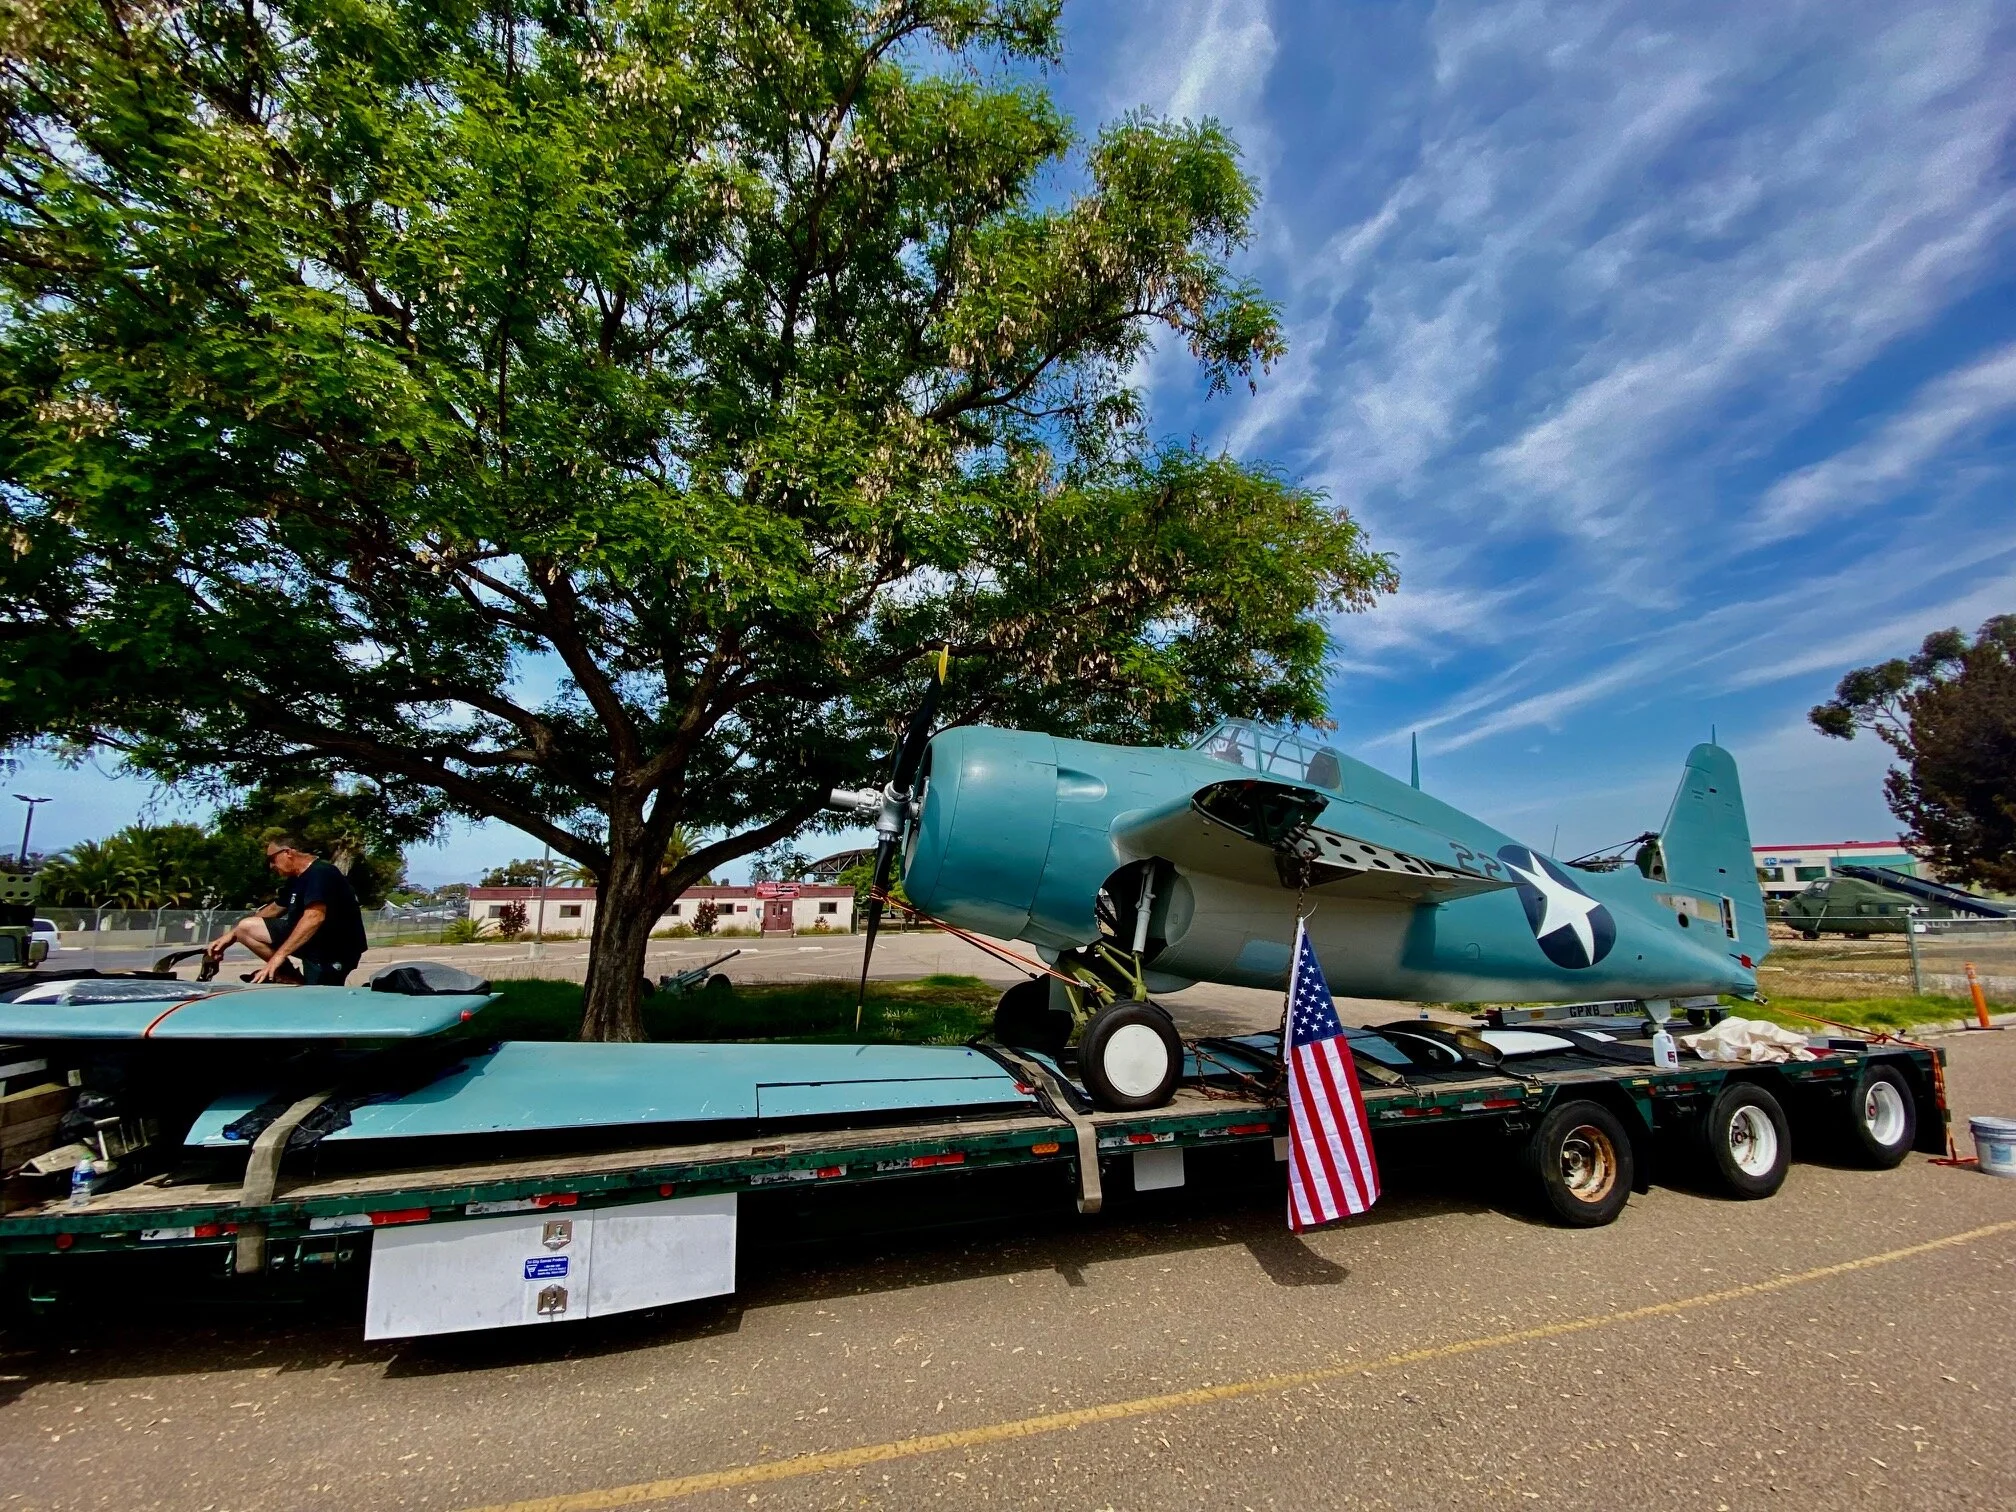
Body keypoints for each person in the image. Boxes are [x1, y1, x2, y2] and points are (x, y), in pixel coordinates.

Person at [205, 835, 368, 985]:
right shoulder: (296, 879)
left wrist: (277, 958)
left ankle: (299, 980)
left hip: (334, 950)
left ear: (288, 853)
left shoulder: (321, 873)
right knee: (245, 928)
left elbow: (314, 917)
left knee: (318, 1000)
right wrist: (229, 937)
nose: (271, 866)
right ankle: (290, 977)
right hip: (313, 943)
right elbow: (275, 908)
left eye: (272, 859)